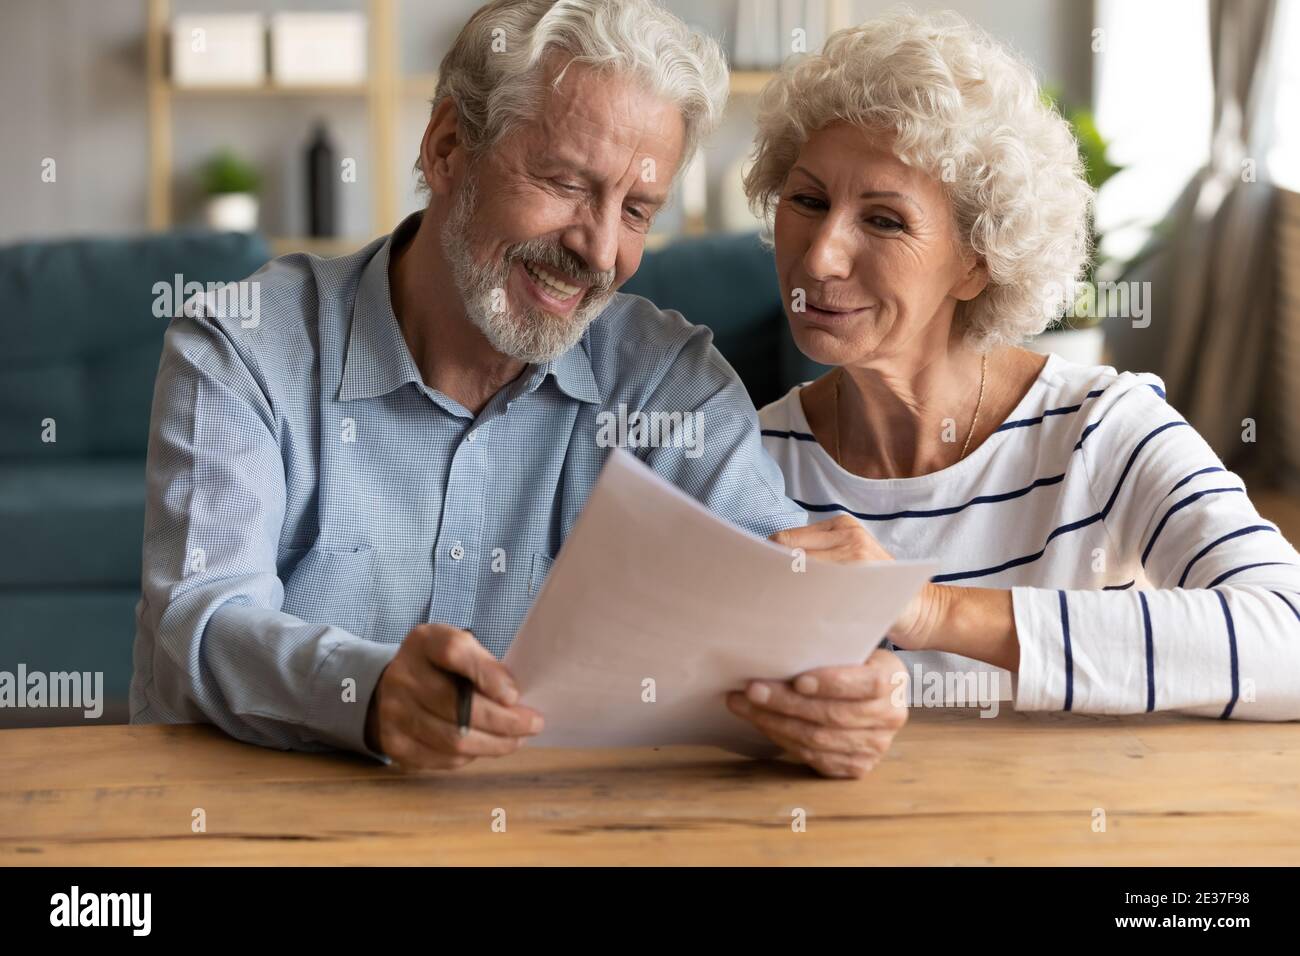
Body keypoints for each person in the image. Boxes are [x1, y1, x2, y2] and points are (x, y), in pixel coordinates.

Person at [132, 0, 910, 780]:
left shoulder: (668, 381)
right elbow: (201, 623)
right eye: (567, 183)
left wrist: (848, 685)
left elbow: (785, 607)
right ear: (445, 150)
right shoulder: (245, 347)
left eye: (636, 210)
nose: (600, 249)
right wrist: (365, 694)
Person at [749, 10, 1300, 719]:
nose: (820, 256)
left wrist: (928, 609)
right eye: (807, 200)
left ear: (977, 263)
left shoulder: (1102, 433)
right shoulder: (754, 458)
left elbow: (1287, 631)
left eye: (884, 220)